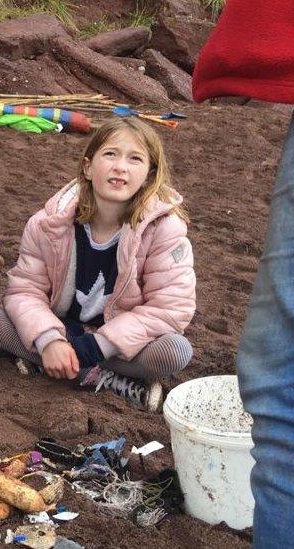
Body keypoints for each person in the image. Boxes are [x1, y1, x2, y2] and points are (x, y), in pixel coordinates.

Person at [0, 117, 195, 412]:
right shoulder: (47, 224)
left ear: (149, 175)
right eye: (110, 154)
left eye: (135, 159)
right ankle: (98, 377)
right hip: (63, 329)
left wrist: (99, 346)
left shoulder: (165, 230)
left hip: (117, 343)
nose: (120, 166)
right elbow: (24, 291)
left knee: (174, 351)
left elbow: (171, 308)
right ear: (88, 166)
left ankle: (62, 366)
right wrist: (49, 340)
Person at [192, 1, 294, 544]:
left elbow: (171, 305)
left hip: (126, 339)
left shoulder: (161, 228)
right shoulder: (57, 221)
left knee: (281, 387)